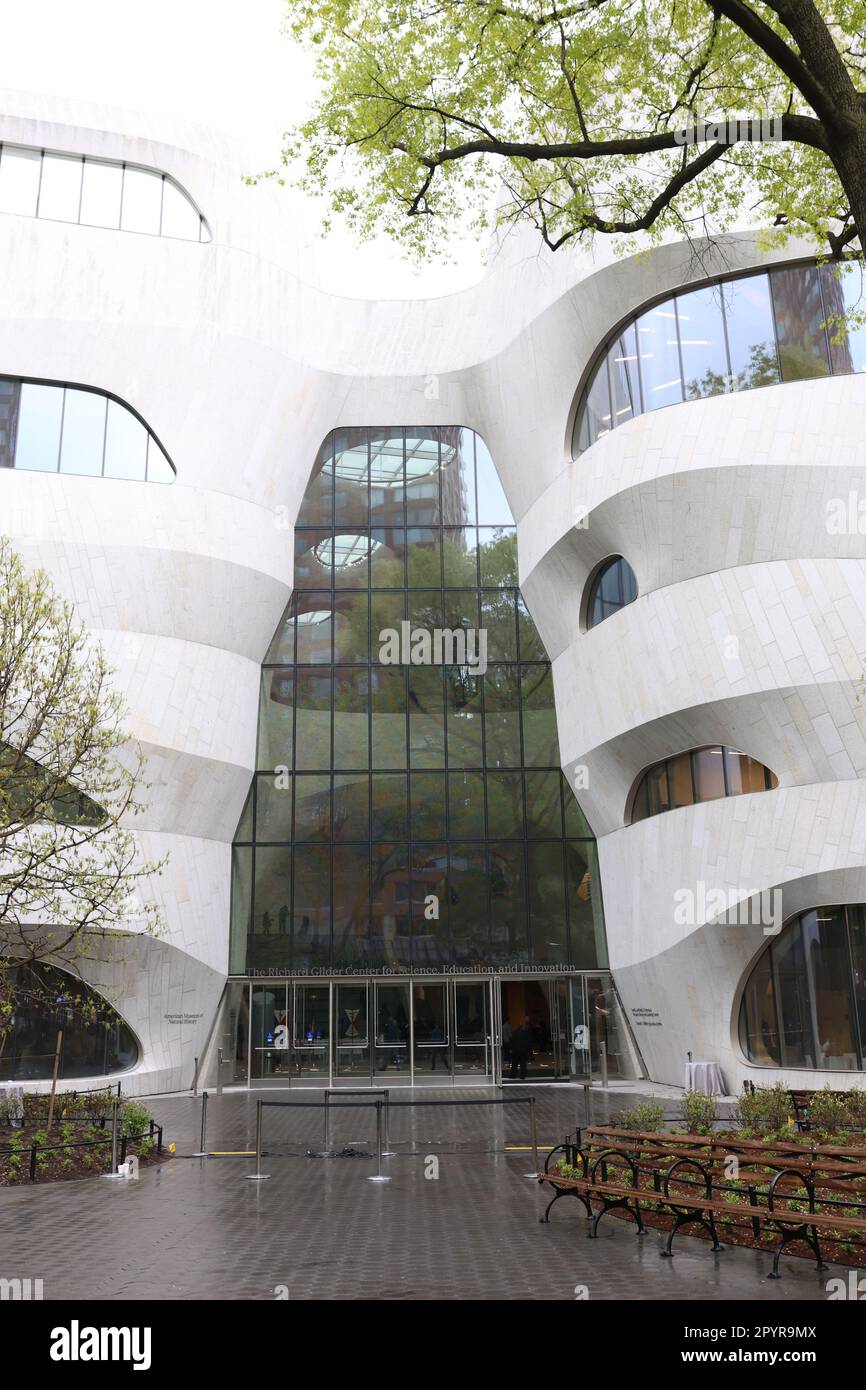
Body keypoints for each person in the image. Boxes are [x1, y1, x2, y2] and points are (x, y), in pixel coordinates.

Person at [509, 1016, 532, 1081]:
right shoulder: (525, 1033)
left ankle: (512, 1075)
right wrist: (528, 1050)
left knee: (514, 1064)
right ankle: (522, 1076)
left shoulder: (514, 1033)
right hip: (522, 1051)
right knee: (523, 1064)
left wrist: (511, 1049)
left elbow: (511, 1042)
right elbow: (528, 1042)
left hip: (515, 1051)